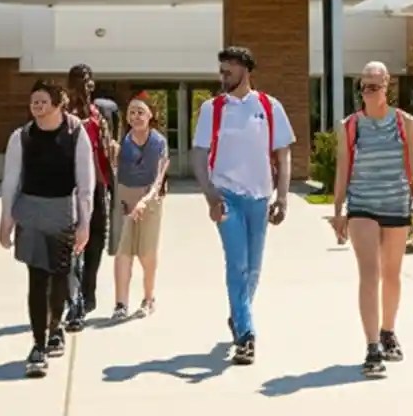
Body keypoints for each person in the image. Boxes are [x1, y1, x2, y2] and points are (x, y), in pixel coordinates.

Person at [191, 45, 296, 366]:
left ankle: (239, 314)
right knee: (236, 264)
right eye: (221, 69)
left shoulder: (269, 106)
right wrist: (209, 193)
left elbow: (283, 154)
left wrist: (282, 196)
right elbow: (198, 153)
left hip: (260, 198)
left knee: (254, 268)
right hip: (227, 197)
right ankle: (246, 335)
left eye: (229, 69)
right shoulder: (213, 108)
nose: (223, 75)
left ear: (245, 69)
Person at [331, 61, 413, 377]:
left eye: (375, 85)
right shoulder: (350, 125)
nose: (369, 92)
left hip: (396, 204)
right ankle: (372, 348)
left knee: (392, 274)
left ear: (387, 86)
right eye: (364, 86)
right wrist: (338, 212)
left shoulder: (405, 122)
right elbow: (343, 170)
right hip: (362, 204)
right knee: (369, 273)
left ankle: (388, 331)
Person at [0, 80, 93, 378]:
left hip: (63, 211)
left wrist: (84, 222)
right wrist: (6, 220)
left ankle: (55, 328)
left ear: (58, 103)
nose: (37, 106)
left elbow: (86, 184)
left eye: (42, 101)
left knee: (61, 277)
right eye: (34, 101)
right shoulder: (22, 137)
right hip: (30, 212)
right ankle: (38, 345)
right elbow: (11, 180)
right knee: (37, 278)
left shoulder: (76, 134)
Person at [62, 64, 117, 332]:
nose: (85, 86)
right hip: (71, 189)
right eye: (79, 81)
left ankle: (88, 292)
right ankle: (75, 299)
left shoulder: (100, 114)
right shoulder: (62, 115)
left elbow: (109, 150)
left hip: (98, 186)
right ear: (70, 85)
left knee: (96, 240)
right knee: (73, 243)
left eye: (88, 81)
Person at [111, 97, 169, 321]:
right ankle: (120, 303)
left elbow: (159, 178)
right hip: (125, 200)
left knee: (146, 253)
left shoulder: (159, 142)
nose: (136, 117)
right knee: (123, 253)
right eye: (132, 112)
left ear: (150, 116)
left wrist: (145, 201)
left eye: (140, 112)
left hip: (150, 201)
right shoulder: (120, 143)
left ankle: (148, 298)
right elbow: (115, 172)